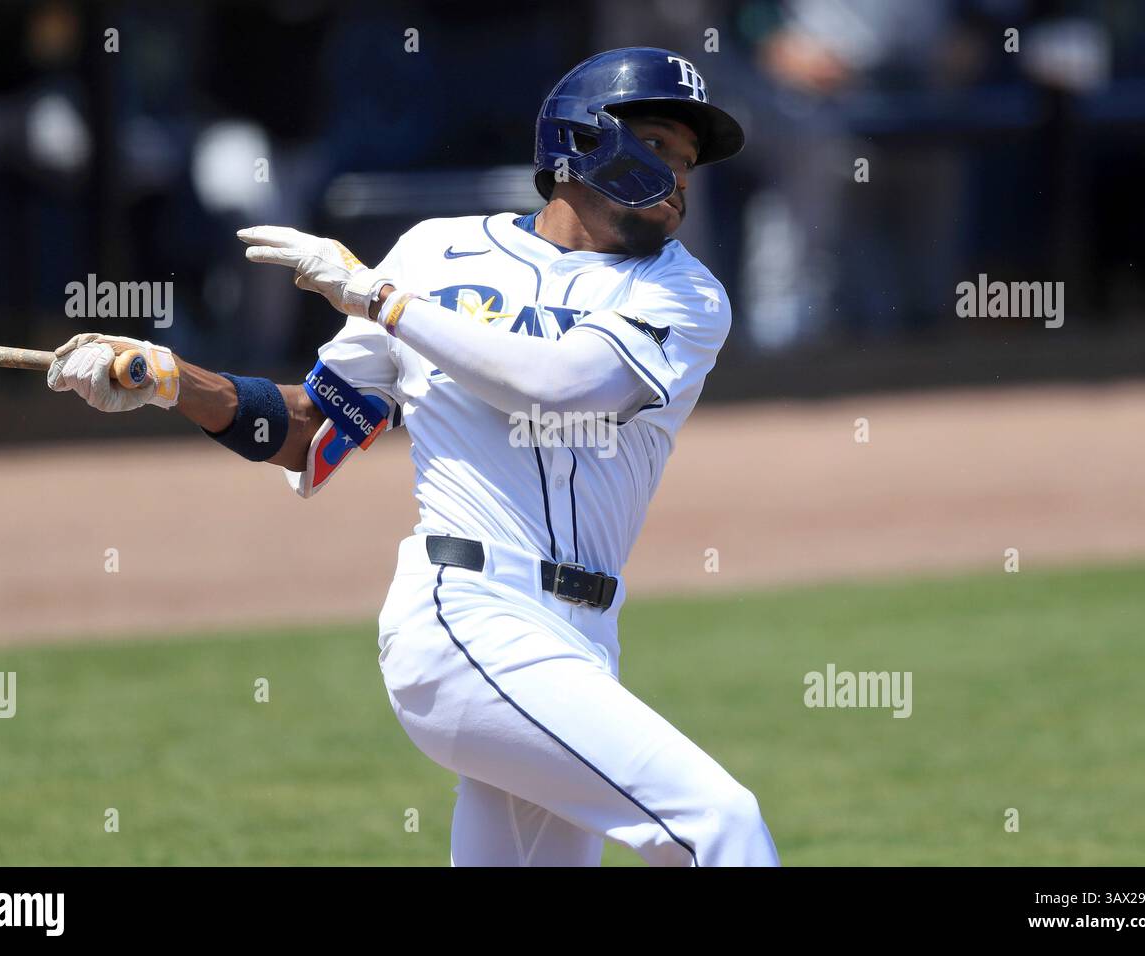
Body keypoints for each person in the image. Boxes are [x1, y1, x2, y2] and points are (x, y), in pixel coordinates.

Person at [47, 47, 780, 867]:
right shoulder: (436, 253)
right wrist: (173, 381)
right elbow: (311, 428)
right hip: (467, 616)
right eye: (658, 145)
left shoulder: (684, 293)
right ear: (581, 139)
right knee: (720, 822)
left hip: (582, 642)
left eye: (687, 161)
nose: (678, 178)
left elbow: (556, 384)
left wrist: (380, 300)